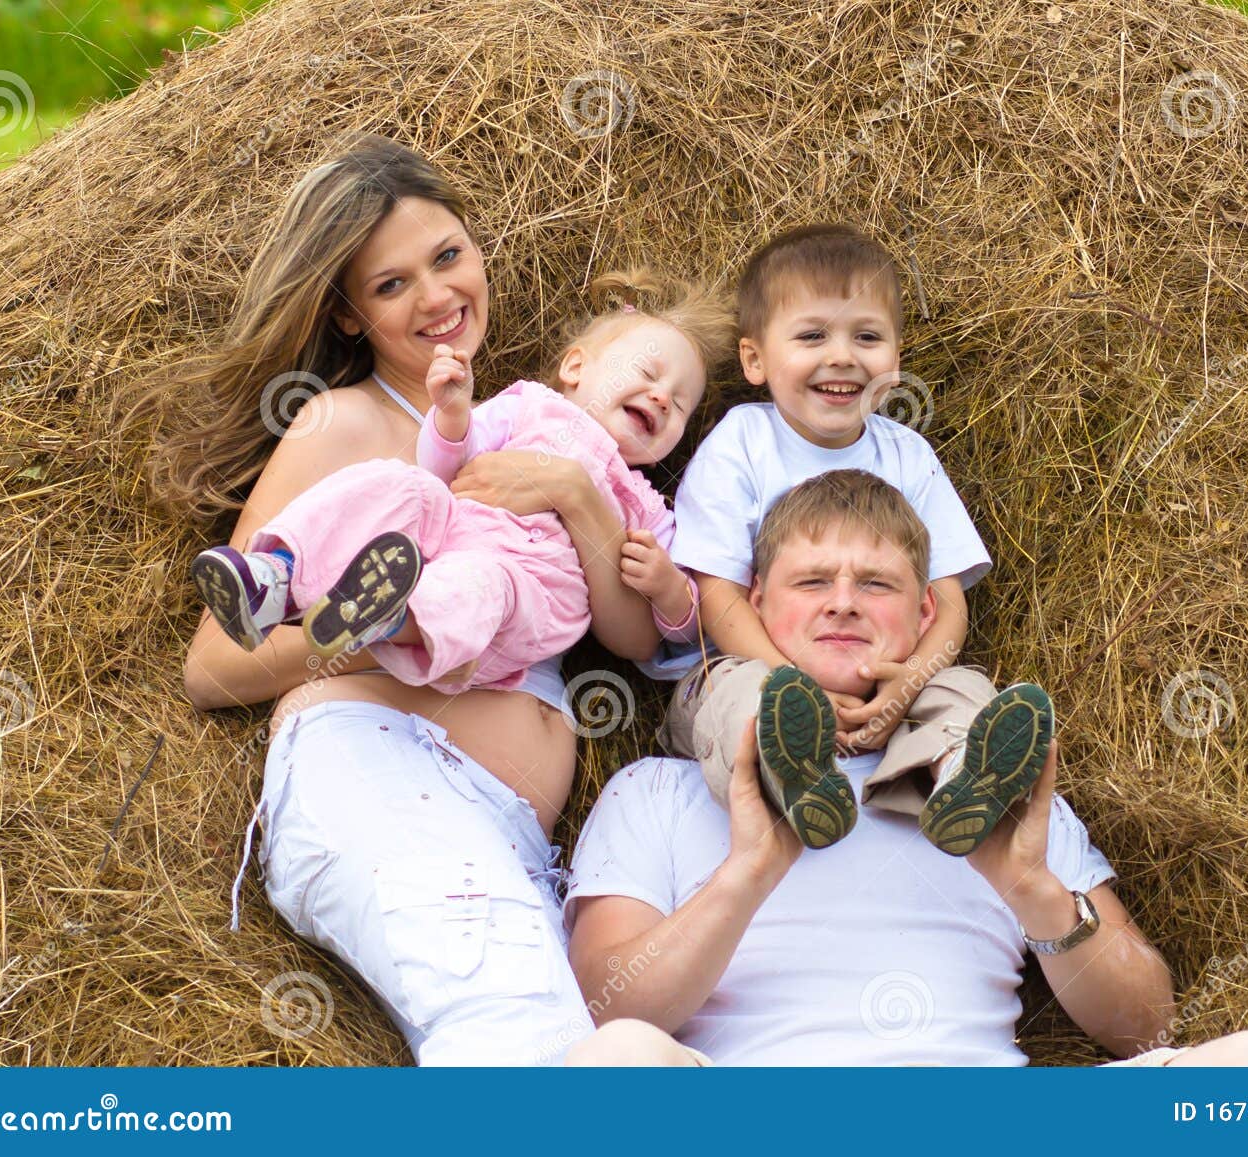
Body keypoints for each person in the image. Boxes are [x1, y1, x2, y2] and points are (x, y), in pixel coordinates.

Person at [136, 133, 707, 1064]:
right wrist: (385, 639)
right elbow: (211, 668)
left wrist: (575, 497)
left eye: (447, 256)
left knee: (559, 1047)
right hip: (381, 772)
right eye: (393, 284)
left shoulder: (523, 421)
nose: (438, 296)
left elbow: (643, 639)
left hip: (493, 831)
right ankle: (323, 585)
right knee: (537, 1048)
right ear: (353, 315)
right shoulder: (343, 422)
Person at [563, 471, 1248, 1067]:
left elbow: (1146, 1027)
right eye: (813, 581)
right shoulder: (656, 791)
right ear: (756, 604)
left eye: (877, 584)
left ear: (927, 615)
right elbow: (605, 1010)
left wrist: (1033, 889)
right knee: (615, 1060)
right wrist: (748, 874)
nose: (845, 604)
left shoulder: (996, 777)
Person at [662, 224, 1052, 856]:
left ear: (894, 360)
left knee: (965, 694)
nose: (842, 356)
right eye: (812, 336)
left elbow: (947, 605)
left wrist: (907, 686)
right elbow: (719, 597)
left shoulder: (908, 454)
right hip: (753, 664)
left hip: (886, 674)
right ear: (755, 360)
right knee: (733, 699)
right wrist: (792, 686)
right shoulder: (742, 443)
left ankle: (962, 779)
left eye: (866, 337)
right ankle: (795, 772)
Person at [189, 264, 727, 693]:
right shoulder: (525, 406)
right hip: (453, 529)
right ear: (576, 368)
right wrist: (450, 416)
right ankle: (278, 576)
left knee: (482, 584)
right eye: (648, 374)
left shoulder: (642, 503)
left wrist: (668, 590)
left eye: (680, 405)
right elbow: (446, 468)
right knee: (402, 484)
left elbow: (679, 630)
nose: (661, 398)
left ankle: (384, 619)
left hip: (531, 590)